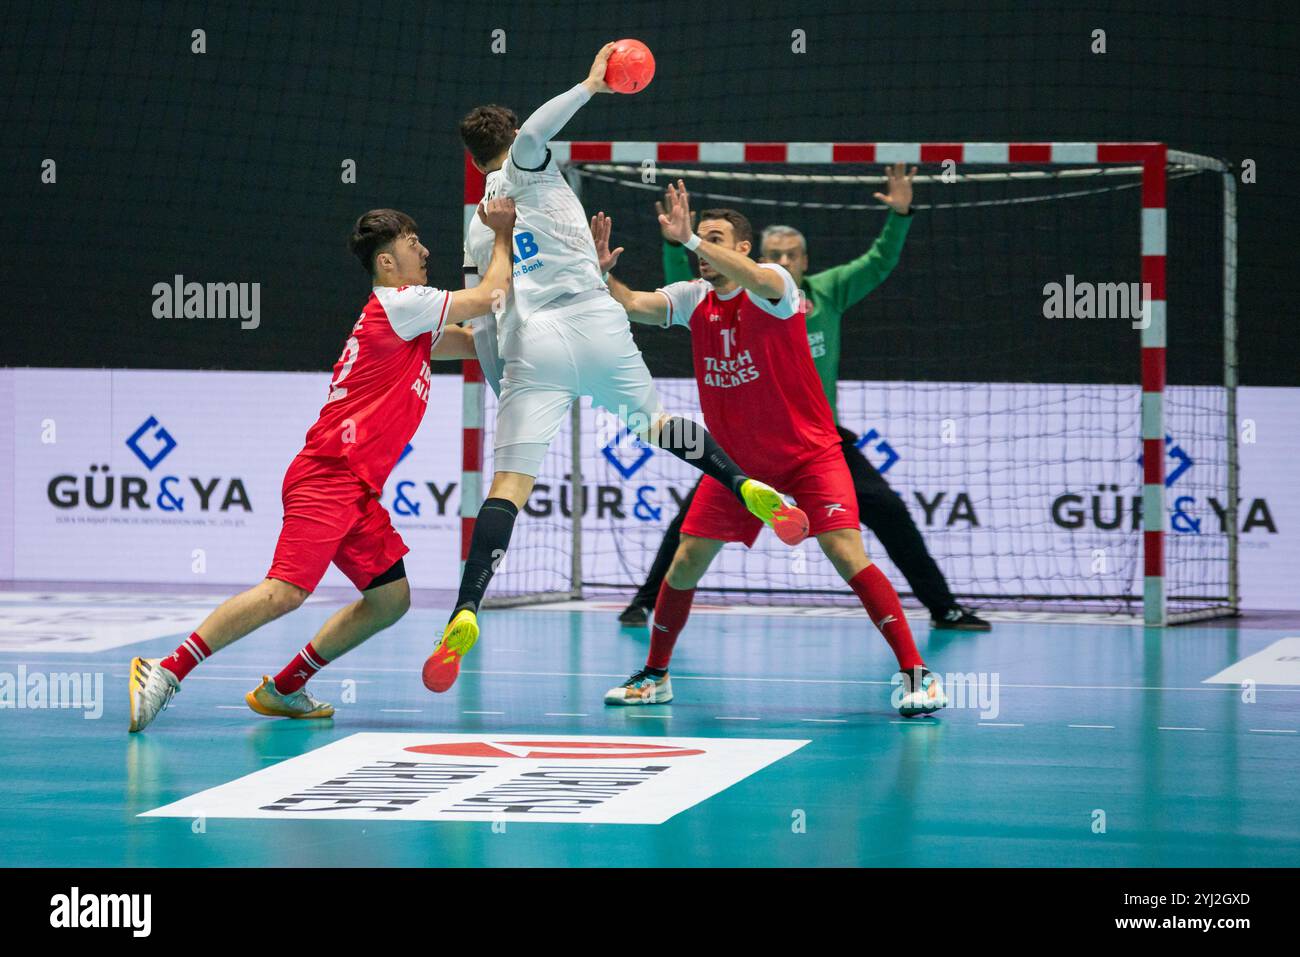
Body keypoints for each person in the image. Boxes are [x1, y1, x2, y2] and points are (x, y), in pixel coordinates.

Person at [426, 44, 807, 695]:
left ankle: (467, 606)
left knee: (508, 488)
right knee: (657, 424)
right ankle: (742, 482)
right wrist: (590, 84)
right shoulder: (529, 164)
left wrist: (505, 386)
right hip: (595, 319)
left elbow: (487, 316)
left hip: (531, 344)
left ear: (469, 158)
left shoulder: (476, 230)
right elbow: (542, 129)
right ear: (512, 140)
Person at [127, 200, 518, 733]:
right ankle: (164, 670)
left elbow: (476, 339)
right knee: (285, 590)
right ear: (386, 262)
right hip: (327, 476)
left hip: (357, 492)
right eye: (413, 244)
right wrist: (501, 236)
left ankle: (285, 687)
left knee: (389, 599)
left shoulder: (413, 322)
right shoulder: (402, 303)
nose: (425, 252)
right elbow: (486, 298)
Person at [594, 182, 948, 717]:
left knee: (846, 554)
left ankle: (917, 674)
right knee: (684, 563)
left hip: (809, 456)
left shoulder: (774, 284)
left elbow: (758, 277)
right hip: (737, 469)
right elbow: (635, 305)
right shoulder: (695, 298)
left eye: (715, 238)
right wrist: (600, 274)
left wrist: (690, 237)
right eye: (700, 236)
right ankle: (655, 675)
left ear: (741, 249)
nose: (702, 248)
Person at [617, 164, 990, 632]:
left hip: (815, 443)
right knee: (691, 530)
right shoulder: (719, 295)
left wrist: (900, 215)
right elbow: (685, 289)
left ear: (803, 261)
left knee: (887, 512)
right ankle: (646, 604)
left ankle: (943, 608)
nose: (783, 263)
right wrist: (678, 242)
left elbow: (877, 263)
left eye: (792, 256)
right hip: (749, 444)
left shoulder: (823, 293)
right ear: (753, 256)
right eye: (776, 255)